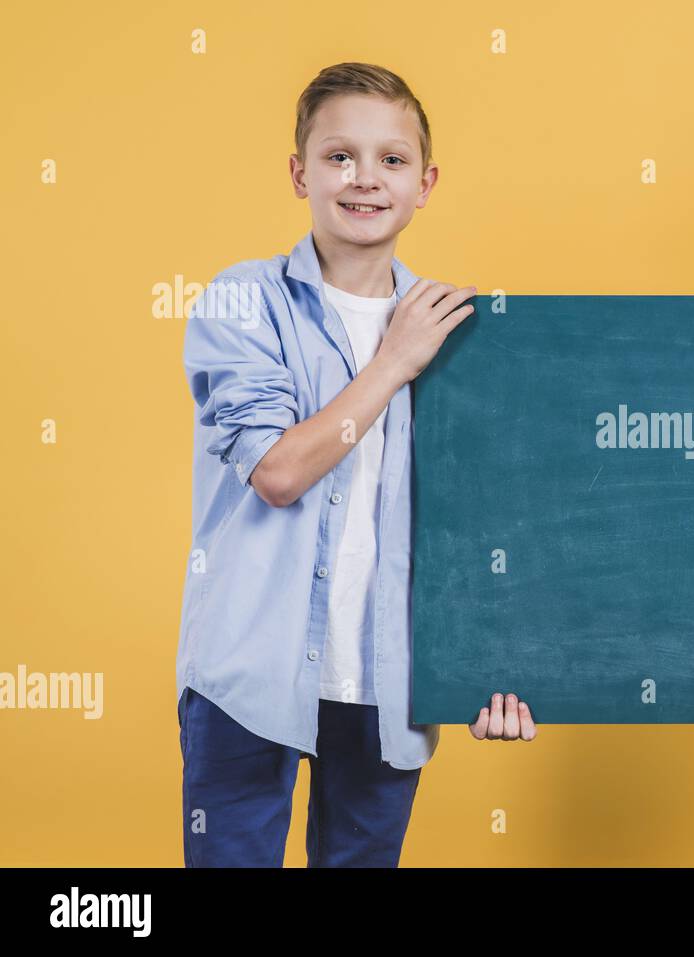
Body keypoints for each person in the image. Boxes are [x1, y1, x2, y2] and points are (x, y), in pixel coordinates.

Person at [178, 62, 535, 868]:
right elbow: (278, 471)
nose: (365, 179)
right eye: (339, 156)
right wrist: (393, 362)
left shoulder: (463, 332)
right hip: (249, 676)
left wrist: (489, 669)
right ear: (300, 172)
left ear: (426, 182)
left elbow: (487, 526)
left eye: (392, 160)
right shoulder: (244, 301)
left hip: (387, 689)